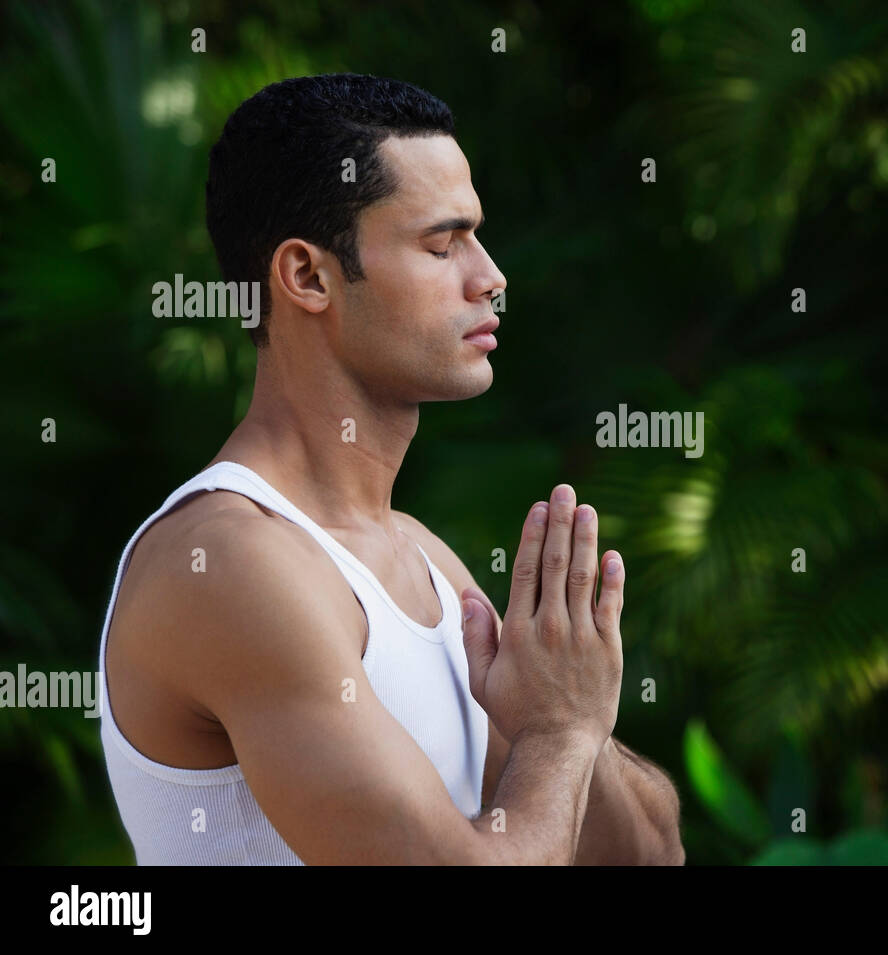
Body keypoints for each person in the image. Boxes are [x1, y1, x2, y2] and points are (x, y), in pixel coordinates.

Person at [97, 73, 685, 865]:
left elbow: (650, 854)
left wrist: (568, 726)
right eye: (442, 244)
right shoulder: (228, 562)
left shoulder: (421, 557)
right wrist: (561, 730)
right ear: (308, 277)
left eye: (476, 237)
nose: (491, 277)